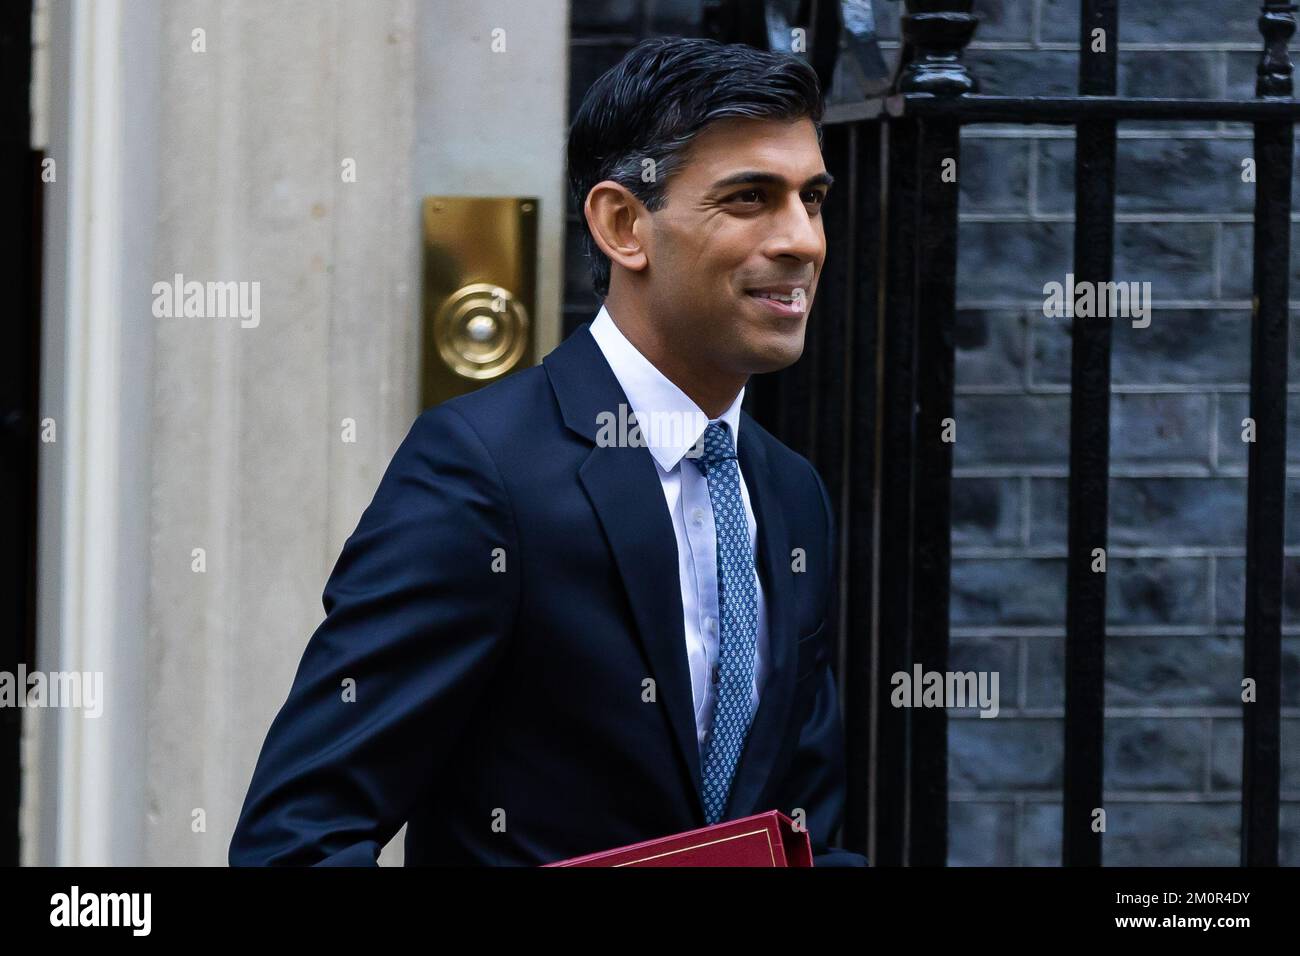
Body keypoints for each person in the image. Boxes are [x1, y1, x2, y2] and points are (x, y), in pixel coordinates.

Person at [229, 35, 867, 867]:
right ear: (623, 224)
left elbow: (803, 833)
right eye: (749, 198)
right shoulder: (480, 472)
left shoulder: (791, 493)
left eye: (811, 200)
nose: (803, 241)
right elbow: (296, 840)